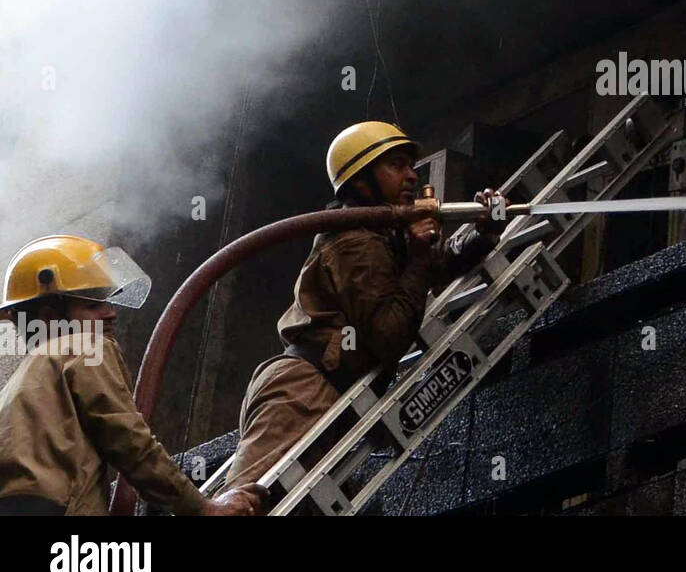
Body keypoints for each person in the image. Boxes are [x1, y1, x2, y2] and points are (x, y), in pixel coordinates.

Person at [223, 121, 506, 493]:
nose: (410, 175)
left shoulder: (381, 235)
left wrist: (483, 232)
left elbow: (436, 269)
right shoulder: (355, 242)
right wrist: (419, 259)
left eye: (410, 166)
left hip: (324, 391)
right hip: (303, 393)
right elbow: (389, 335)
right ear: (359, 181)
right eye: (396, 165)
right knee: (243, 503)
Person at [0, 235, 267, 515]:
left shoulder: (19, 388)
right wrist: (203, 509)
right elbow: (129, 442)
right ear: (48, 316)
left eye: (109, 301)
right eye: (93, 305)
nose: (111, 313)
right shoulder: (83, 345)